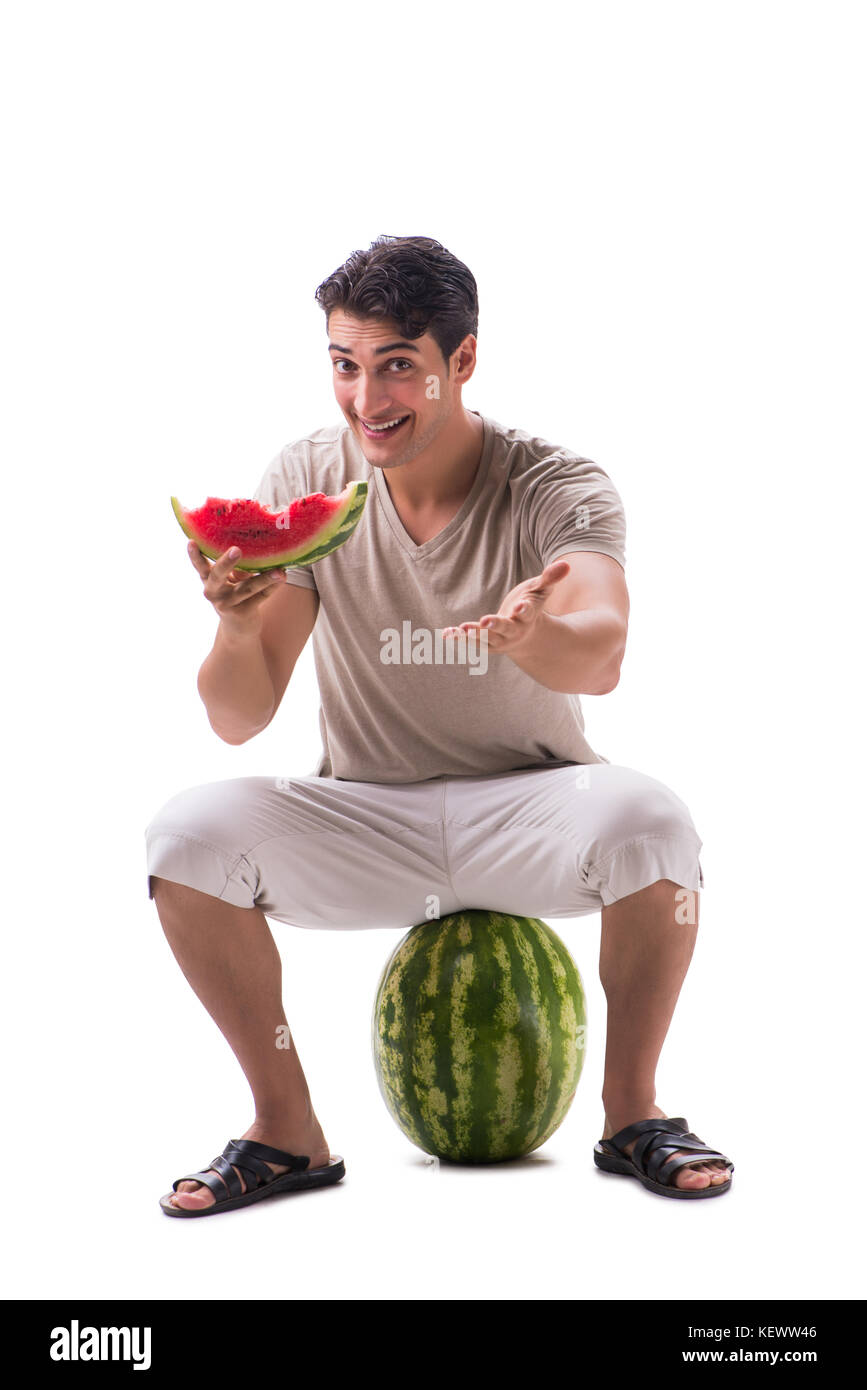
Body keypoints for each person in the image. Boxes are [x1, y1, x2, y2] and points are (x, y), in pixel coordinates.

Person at [147, 235, 734, 1216]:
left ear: (462, 361)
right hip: (368, 816)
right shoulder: (309, 475)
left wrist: (533, 639)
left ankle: (633, 1112)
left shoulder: (555, 483)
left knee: (655, 821)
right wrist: (237, 623)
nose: (367, 400)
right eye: (346, 365)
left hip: (535, 807)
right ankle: (285, 1126)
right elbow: (239, 717)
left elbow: (603, 646)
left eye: (398, 368)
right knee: (185, 837)